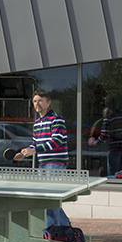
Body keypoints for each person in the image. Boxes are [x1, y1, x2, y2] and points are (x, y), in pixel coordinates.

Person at [17, 89, 74, 228]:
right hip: (43, 164)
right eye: (35, 101)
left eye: (40, 101)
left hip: (55, 163)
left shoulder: (56, 118)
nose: (37, 104)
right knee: (47, 199)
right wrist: (24, 153)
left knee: (50, 198)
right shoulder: (37, 122)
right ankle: (57, 229)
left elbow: (57, 141)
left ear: (48, 103)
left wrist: (34, 150)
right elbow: (35, 142)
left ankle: (59, 228)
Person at [89, 105, 122, 175]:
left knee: (113, 172)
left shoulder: (109, 118)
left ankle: (114, 184)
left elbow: (104, 135)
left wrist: (96, 142)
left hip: (115, 148)